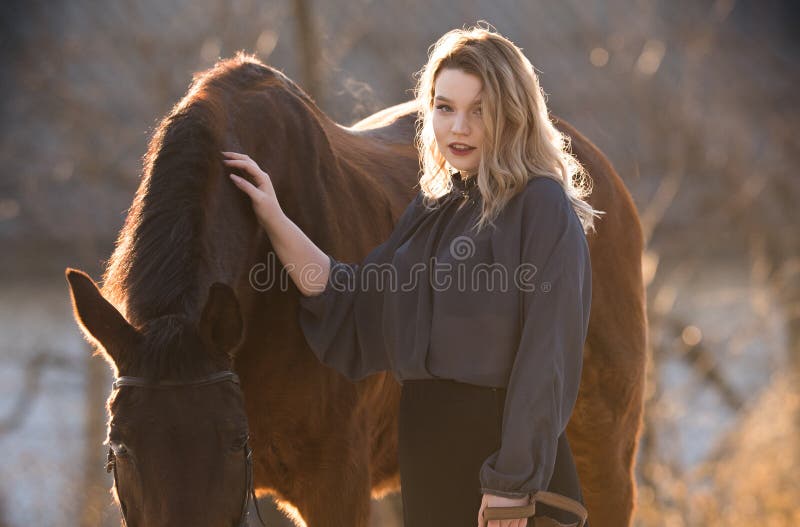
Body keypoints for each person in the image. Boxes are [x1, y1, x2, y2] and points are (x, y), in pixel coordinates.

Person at [224, 23, 601, 527]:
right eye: (445, 108)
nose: (458, 127)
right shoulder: (434, 209)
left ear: (513, 114)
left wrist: (514, 483)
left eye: (480, 110)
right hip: (428, 462)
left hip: (504, 472)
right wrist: (274, 217)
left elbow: (548, 357)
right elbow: (352, 298)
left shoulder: (541, 206)